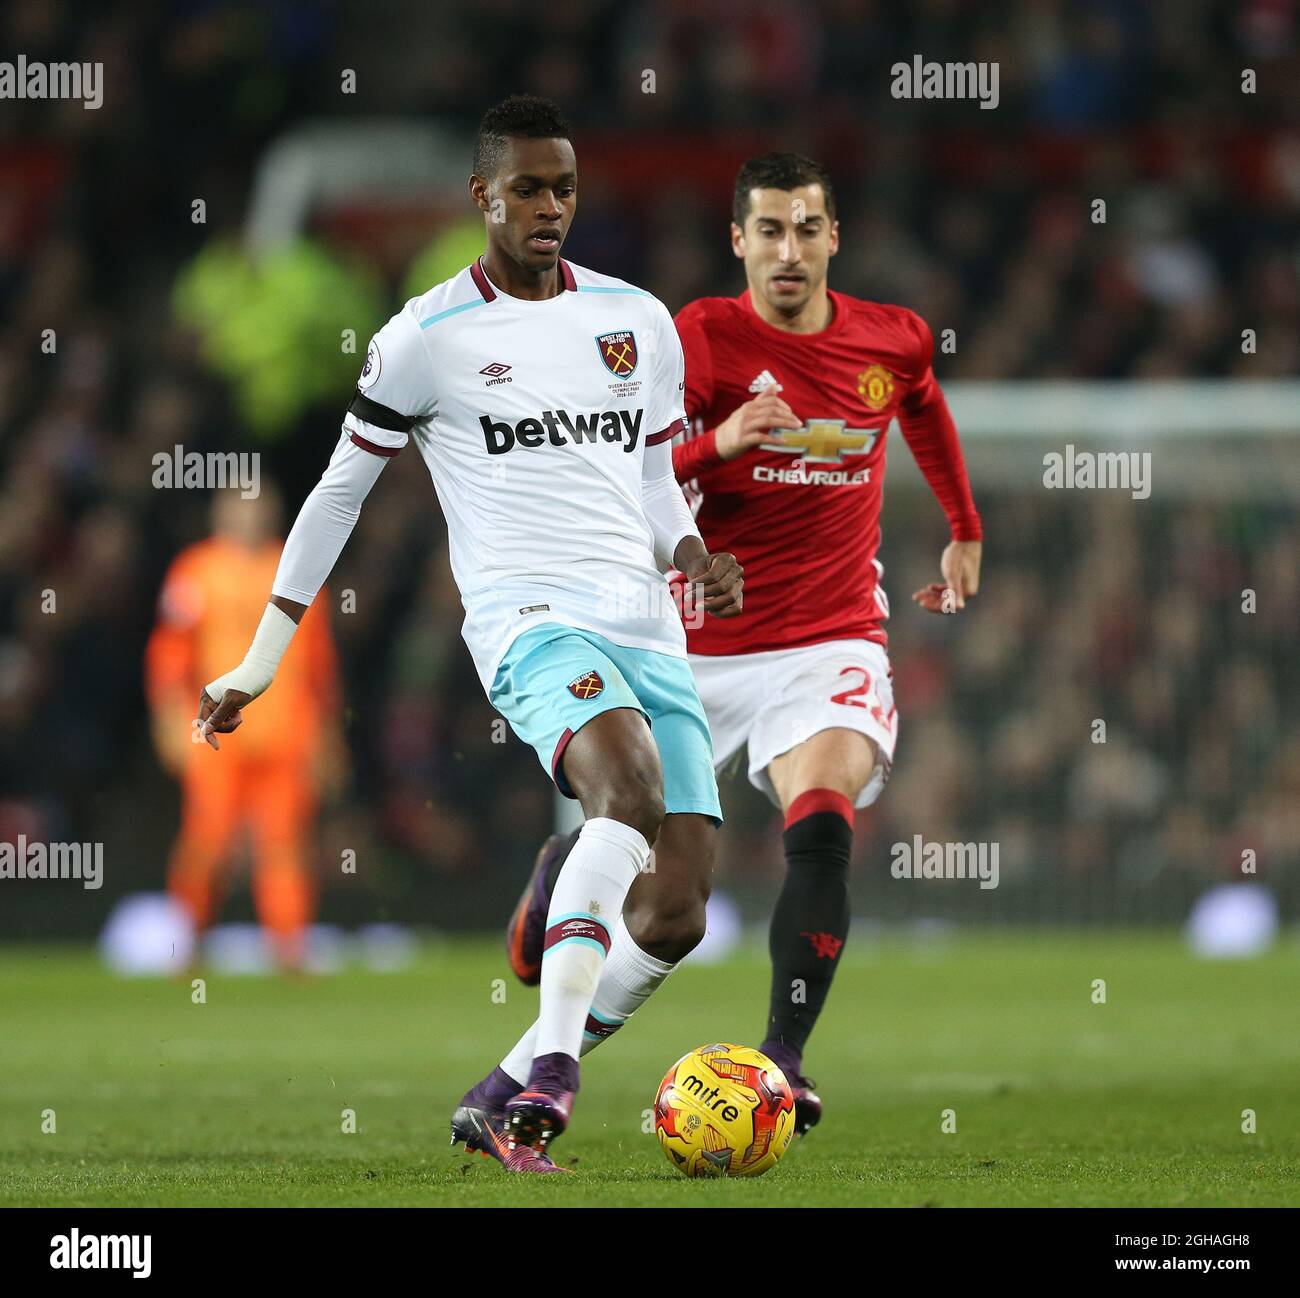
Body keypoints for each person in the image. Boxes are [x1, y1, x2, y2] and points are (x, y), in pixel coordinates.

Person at [195, 95, 743, 1173]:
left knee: (675, 907)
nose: (550, 208)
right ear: (482, 195)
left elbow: (651, 480)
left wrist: (687, 557)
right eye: (529, 188)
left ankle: (500, 1085)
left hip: (645, 623)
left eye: (566, 188)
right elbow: (335, 497)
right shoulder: (425, 339)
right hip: (526, 619)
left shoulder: (637, 319)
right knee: (623, 790)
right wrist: (262, 659)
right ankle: (553, 1074)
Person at [507, 152, 983, 1135]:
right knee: (662, 902)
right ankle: (561, 887)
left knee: (822, 819)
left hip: (827, 637)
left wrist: (963, 527)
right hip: (694, 638)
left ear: (833, 238)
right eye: (768, 229)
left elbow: (923, 402)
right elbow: (628, 466)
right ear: (739, 241)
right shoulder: (700, 338)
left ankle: (785, 1056)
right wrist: (715, 447)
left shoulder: (887, 338)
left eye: (807, 228)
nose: (788, 250)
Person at [146, 485, 341, 970]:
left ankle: (289, 949)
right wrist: (170, 714)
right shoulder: (197, 570)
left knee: (285, 844)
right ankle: (186, 942)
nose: (249, 518)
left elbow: (319, 663)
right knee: (207, 842)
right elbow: (171, 651)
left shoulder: (299, 570)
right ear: (221, 514)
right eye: (240, 508)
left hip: (286, 731)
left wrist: (328, 733)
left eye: (258, 508)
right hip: (216, 734)